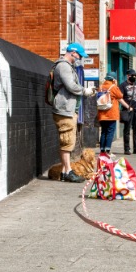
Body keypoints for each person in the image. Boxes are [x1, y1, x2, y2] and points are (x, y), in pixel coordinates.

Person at [50, 42, 86, 182]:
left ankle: (65, 171)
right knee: (67, 141)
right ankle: (68, 171)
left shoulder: (67, 66)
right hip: (64, 109)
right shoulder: (63, 66)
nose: (80, 58)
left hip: (68, 110)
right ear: (73, 53)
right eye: (79, 55)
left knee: (68, 142)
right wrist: (84, 91)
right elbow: (71, 86)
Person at [96, 72, 123, 155]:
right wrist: (116, 85)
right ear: (113, 79)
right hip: (111, 114)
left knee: (103, 132)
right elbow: (120, 96)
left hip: (102, 113)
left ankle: (102, 150)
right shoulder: (114, 87)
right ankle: (107, 150)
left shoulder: (101, 87)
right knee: (110, 132)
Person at [119, 74, 136, 155]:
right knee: (127, 130)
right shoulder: (123, 85)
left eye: (135, 76)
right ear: (128, 76)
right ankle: (127, 149)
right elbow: (120, 98)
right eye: (132, 75)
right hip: (128, 111)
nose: (134, 77)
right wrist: (127, 107)